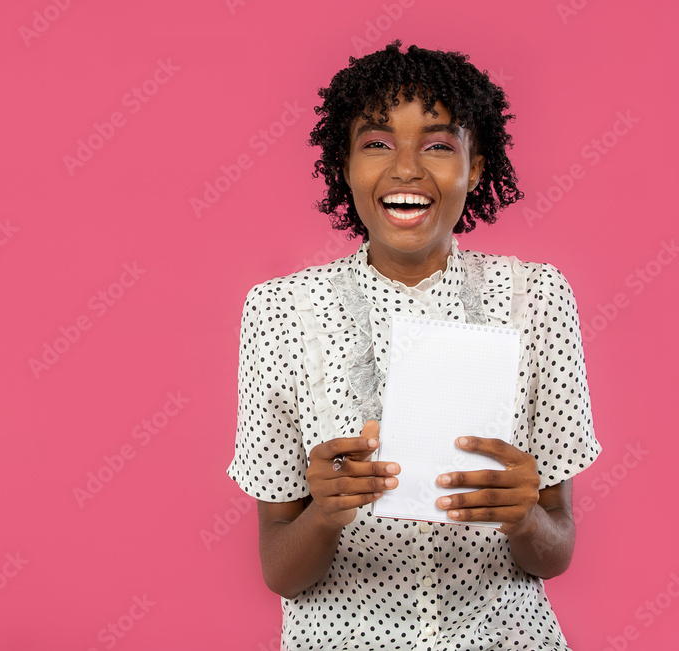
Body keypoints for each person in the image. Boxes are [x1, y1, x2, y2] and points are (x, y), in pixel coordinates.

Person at [226, 40, 601, 650]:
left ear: (475, 167)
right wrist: (325, 513)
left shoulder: (536, 298)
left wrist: (526, 517)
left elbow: (554, 552)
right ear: (345, 165)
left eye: (437, 145)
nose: (406, 169)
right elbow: (280, 570)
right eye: (376, 143)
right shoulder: (280, 311)